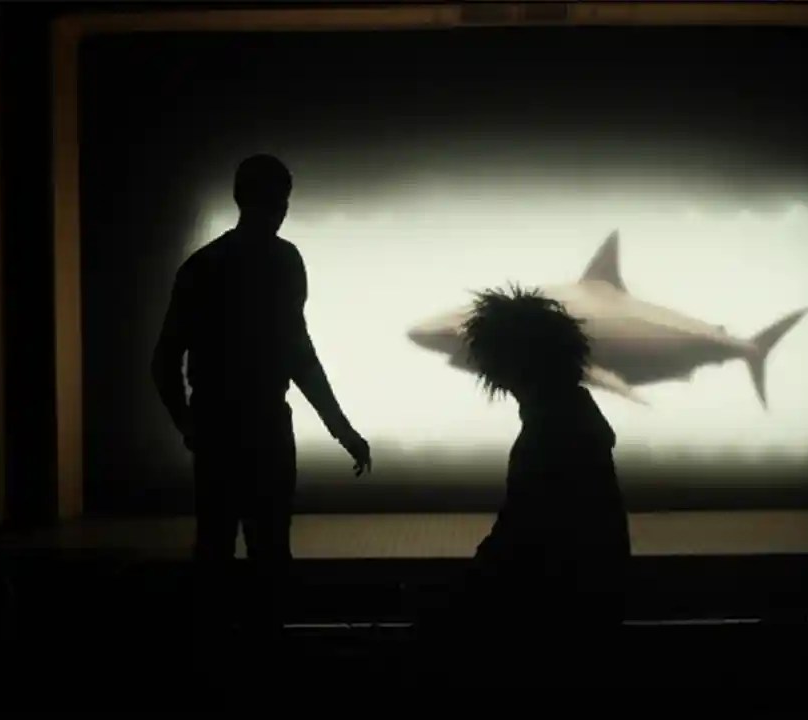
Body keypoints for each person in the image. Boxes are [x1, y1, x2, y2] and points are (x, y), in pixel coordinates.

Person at [151, 154, 371, 629]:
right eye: (281, 200)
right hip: (267, 424)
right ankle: (268, 657)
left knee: (214, 547)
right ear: (280, 202)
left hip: (216, 425)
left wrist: (190, 426)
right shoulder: (283, 262)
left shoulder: (202, 267)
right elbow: (300, 358)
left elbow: (164, 361)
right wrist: (342, 430)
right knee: (271, 549)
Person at [425, 285, 631, 685]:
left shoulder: (548, 435)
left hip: (557, 616)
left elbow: (520, 536)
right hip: (593, 605)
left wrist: (459, 594)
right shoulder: (574, 421)